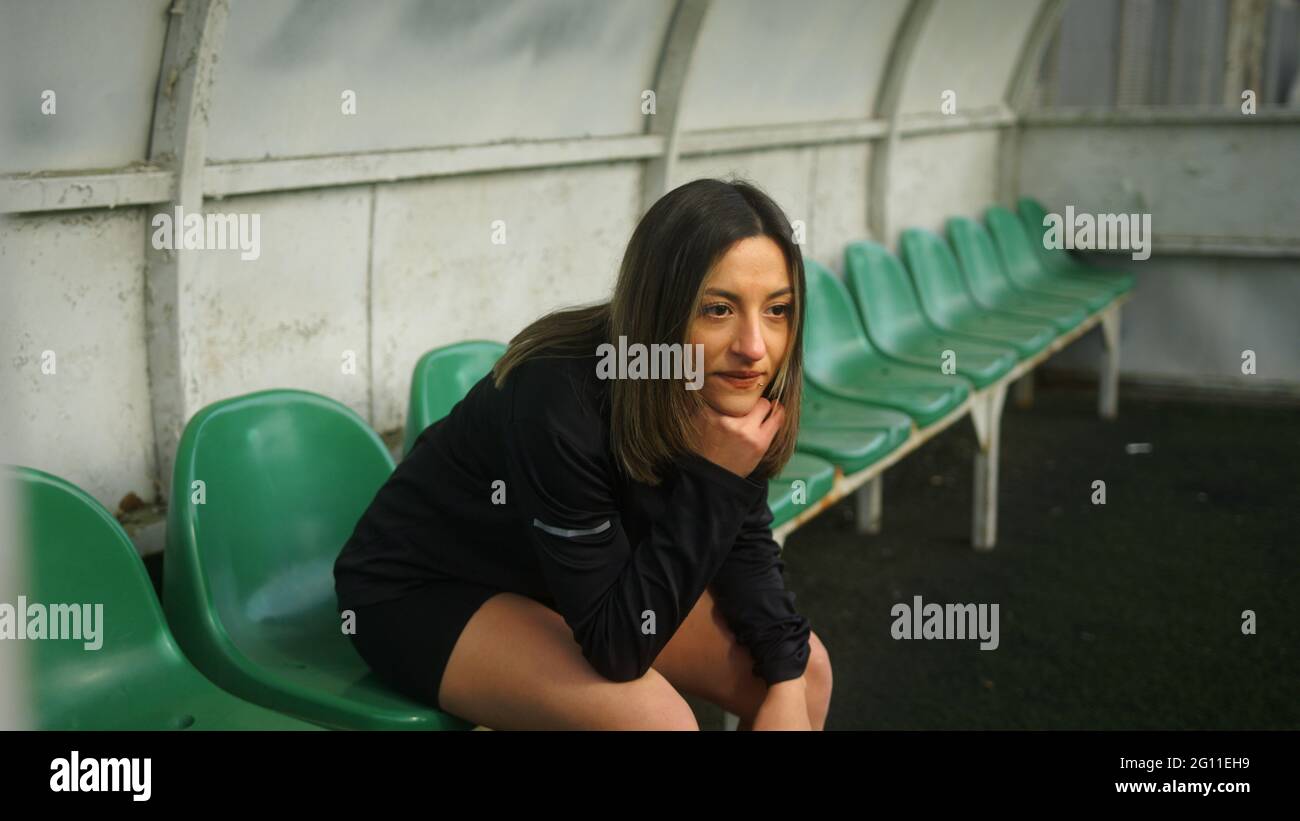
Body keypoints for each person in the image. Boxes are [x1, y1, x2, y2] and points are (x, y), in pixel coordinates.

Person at [334, 177, 832, 730]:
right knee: (655, 724)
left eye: (778, 310)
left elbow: (742, 542)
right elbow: (618, 648)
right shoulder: (559, 395)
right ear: (660, 309)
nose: (754, 347)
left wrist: (785, 681)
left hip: (579, 580)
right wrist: (715, 478)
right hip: (424, 590)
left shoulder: (725, 384)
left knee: (807, 673)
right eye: (717, 309)